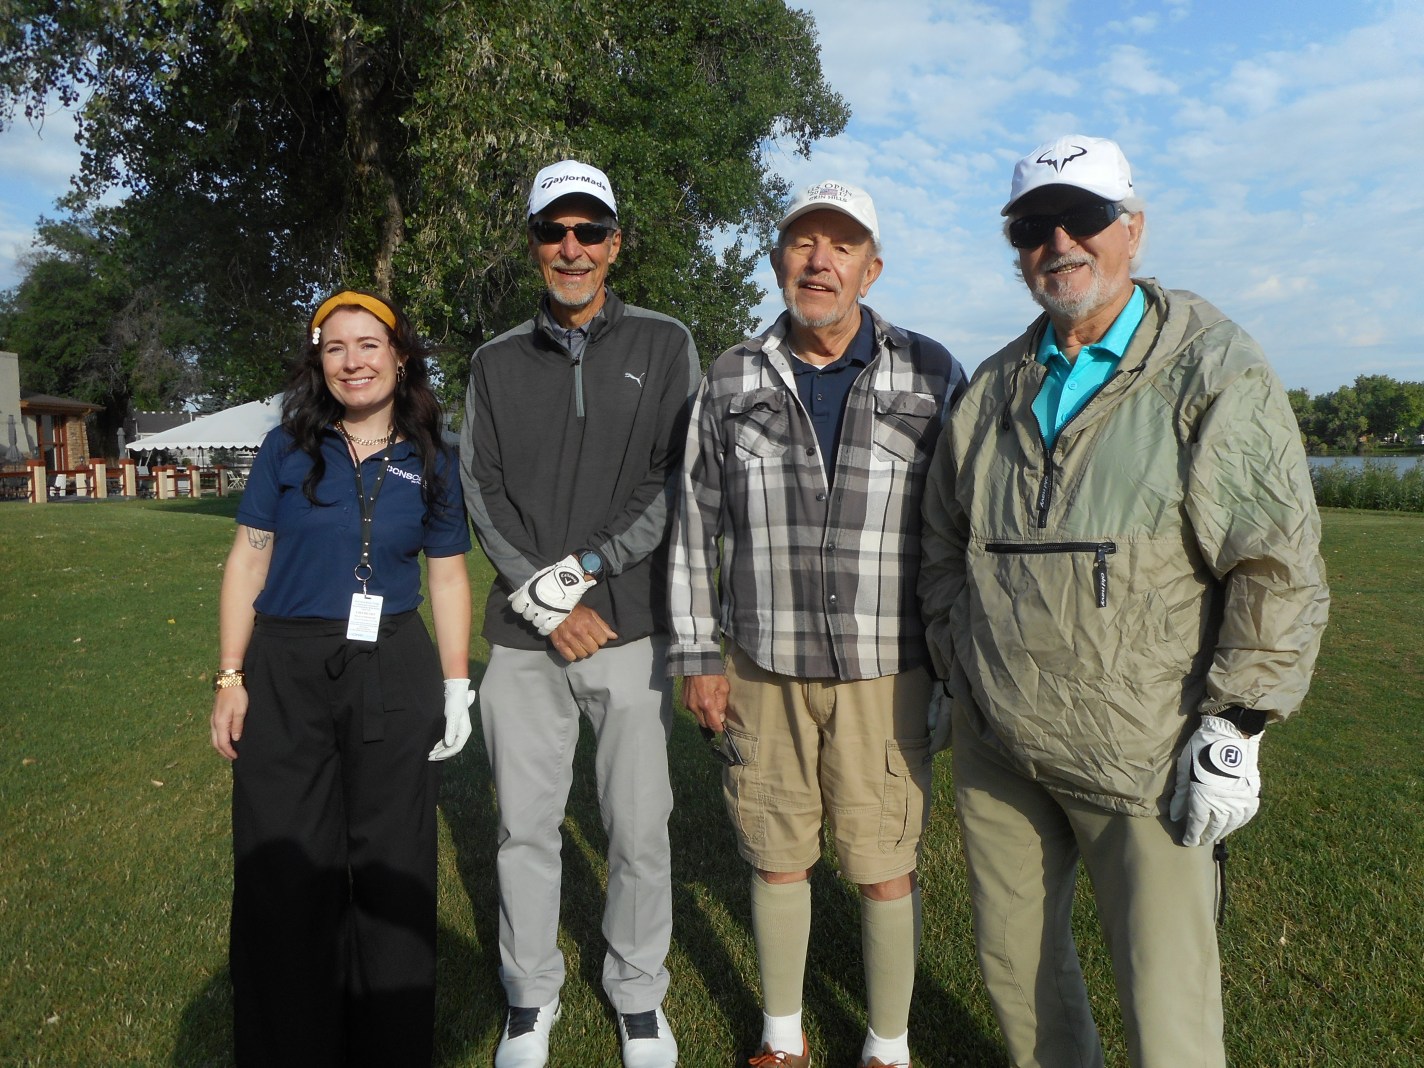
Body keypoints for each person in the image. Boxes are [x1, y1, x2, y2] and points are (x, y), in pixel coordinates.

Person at [919, 135, 1331, 1068]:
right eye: (1032, 225)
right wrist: (960, 661)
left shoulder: (1211, 367)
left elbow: (1273, 559)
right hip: (999, 741)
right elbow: (945, 546)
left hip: (1146, 747)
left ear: (1132, 230)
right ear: (1015, 247)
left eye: (1085, 218)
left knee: (1167, 1004)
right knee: (1016, 978)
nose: (1058, 241)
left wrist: (1240, 719)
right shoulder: (990, 389)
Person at [669, 179, 967, 1068]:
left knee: (883, 858)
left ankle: (887, 1045)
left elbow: (956, 524)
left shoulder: (930, 369)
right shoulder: (731, 375)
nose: (820, 261)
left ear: (872, 268)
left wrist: (953, 655)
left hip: (890, 664)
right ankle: (782, 1037)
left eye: (841, 247)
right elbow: (693, 522)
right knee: (775, 848)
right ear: (777, 262)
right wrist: (696, 653)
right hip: (763, 660)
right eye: (804, 243)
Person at [459, 159, 699, 1068]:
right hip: (523, 638)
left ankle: (637, 992)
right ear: (533, 247)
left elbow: (673, 479)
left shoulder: (665, 342)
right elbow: (482, 491)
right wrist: (542, 597)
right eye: (554, 231)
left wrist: (589, 571)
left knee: (638, 826)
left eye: (589, 230)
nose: (572, 247)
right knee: (525, 827)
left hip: (629, 625)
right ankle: (530, 996)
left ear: (614, 244)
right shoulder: (491, 362)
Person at [209, 289, 474, 1066]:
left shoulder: (432, 458)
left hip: (392, 666)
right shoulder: (284, 449)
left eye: (368, 345)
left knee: (392, 868)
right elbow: (248, 558)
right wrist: (230, 675)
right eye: (335, 349)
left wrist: (457, 686)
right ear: (318, 364)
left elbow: (451, 578)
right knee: (285, 867)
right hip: (286, 671)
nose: (352, 361)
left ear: (399, 355)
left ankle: (389, 1044)